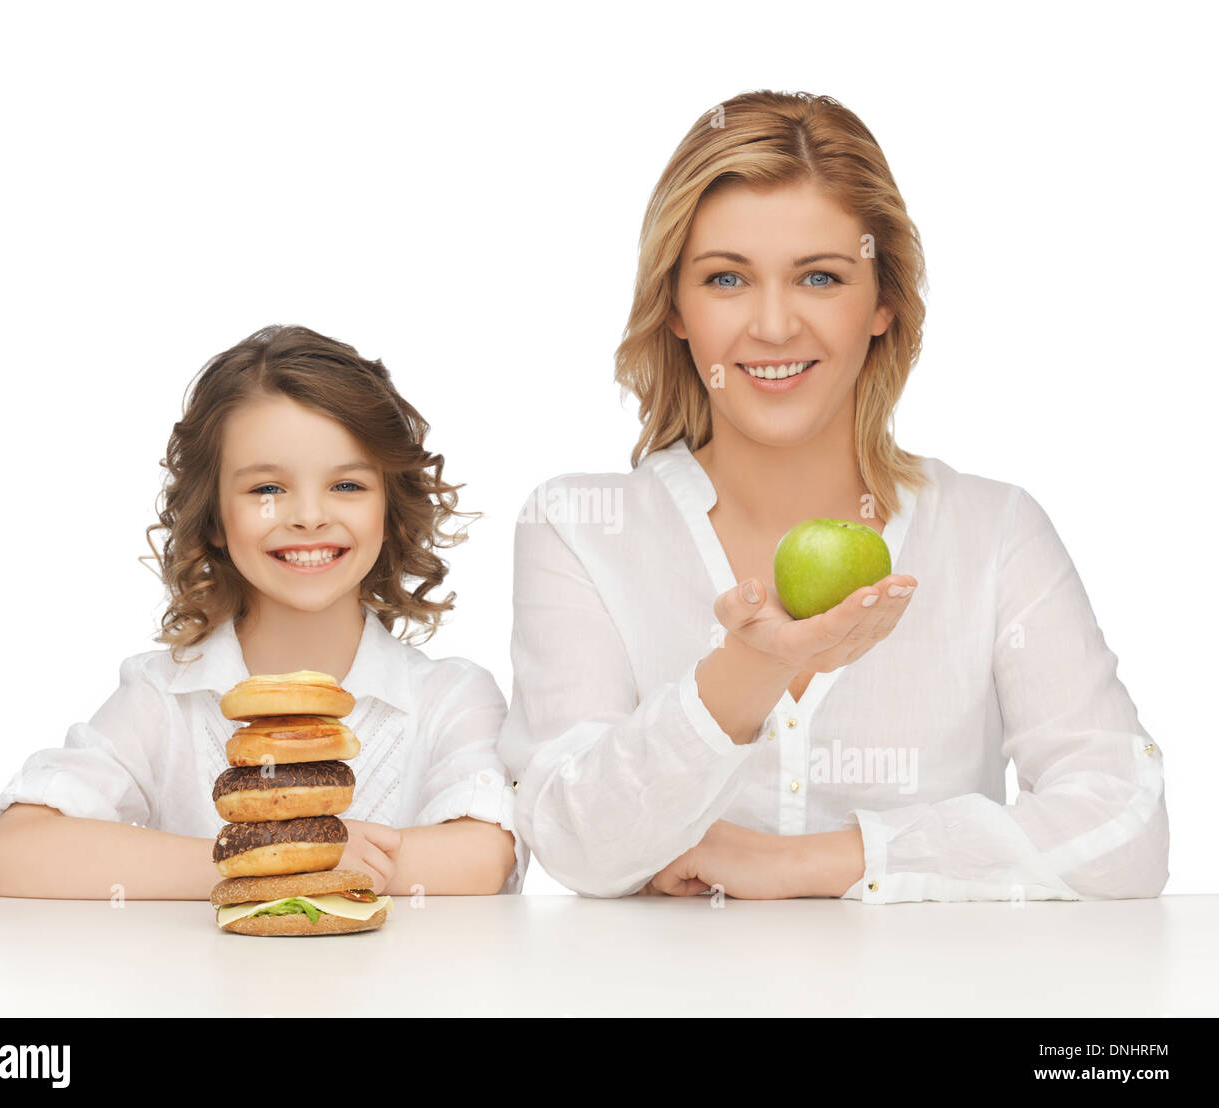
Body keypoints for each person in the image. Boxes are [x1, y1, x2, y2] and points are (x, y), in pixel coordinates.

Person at [497, 90, 1168, 903]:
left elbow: (1124, 825)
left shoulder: (994, 532)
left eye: (820, 276)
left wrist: (816, 861)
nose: (774, 326)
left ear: (884, 302)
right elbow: (574, 843)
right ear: (675, 308)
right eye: (726, 278)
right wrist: (748, 670)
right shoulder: (579, 530)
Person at [0, 324, 524, 899]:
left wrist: (302, 858)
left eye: (346, 484)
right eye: (267, 488)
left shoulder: (449, 698)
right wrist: (255, 859)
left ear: (389, 510)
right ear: (213, 516)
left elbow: (482, 858)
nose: (309, 516)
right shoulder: (164, 698)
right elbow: (14, 852)